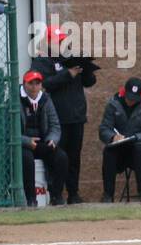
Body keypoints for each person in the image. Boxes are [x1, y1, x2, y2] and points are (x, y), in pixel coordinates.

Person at [28, 25, 95, 204]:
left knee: (74, 157)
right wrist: (68, 74)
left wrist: (86, 68)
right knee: (57, 157)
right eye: (57, 41)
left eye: (62, 40)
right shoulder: (42, 60)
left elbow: (90, 82)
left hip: (76, 116)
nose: (61, 44)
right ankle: (56, 194)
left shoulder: (71, 57)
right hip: (56, 119)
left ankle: (73, 193)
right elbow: (42, 84)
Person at [98, 77, 141, 202]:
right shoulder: (113, 104)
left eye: (134, 99)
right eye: (128, 97)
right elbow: (104, 128)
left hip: (138, 149)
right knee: (108, 152)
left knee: (139, 149)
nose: (130, 101)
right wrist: (113, 137)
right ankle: (108, 196)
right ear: (123, 92)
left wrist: (137, 137)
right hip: (119, 149)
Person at [18, 70, 68, 207]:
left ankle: (56, 196)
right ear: (24, 84)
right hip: (23, 144)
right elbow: (10, 132)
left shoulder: (45, 99)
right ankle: (31, 200)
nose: (34, 87)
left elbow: (55, 125)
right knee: (26, 159)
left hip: (42, 142)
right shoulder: (15, 100)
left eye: (37, 83)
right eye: (31, 83)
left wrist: (52, 139)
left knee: (61, 157)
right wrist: (27, 141)